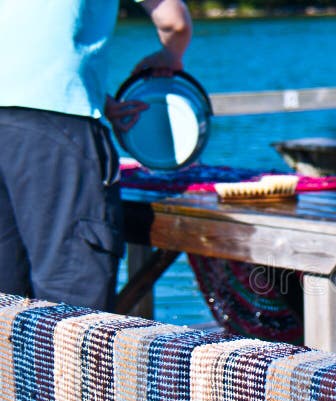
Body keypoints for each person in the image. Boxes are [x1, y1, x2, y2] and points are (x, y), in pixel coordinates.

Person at [0, 0, 192, 311]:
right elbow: (173, 20)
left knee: (6, 298)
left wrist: (92, 91)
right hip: (58, 123)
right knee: (73, 300)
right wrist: (171, 54)